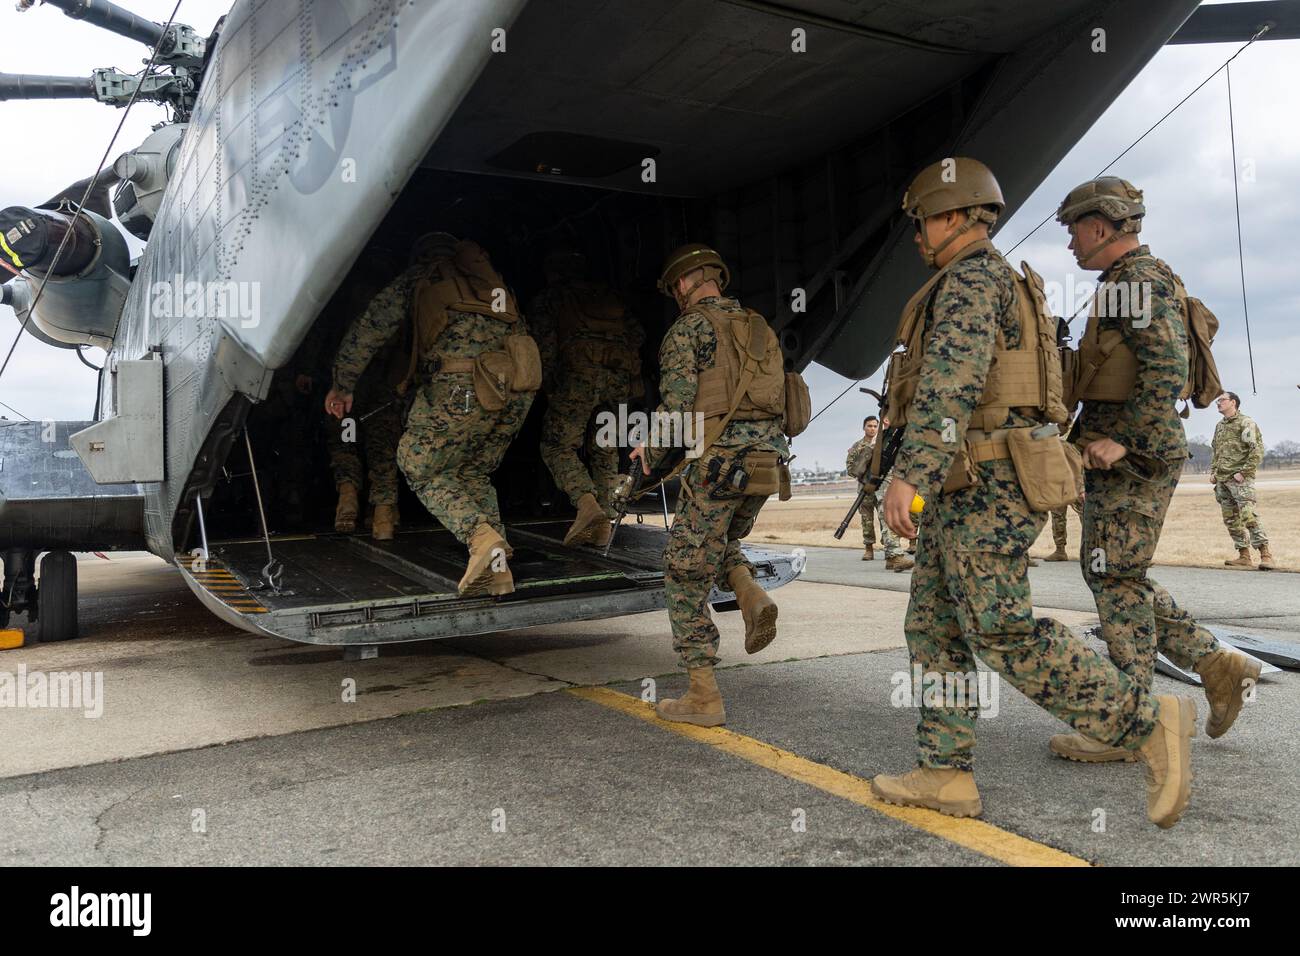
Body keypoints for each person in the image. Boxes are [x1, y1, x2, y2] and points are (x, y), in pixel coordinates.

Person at [871, 158, 1195, 828]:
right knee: (934, 626)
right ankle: (945, 772)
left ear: (956, 215)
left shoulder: (970, 279)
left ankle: (1145, 721)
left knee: (1001, 628)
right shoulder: (993, 277)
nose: (917, 236)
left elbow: (950, 385)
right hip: (971, 478)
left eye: (923, 220)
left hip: (984, 479)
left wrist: (911, 474)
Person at [1051, 177, 1260, 762]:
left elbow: (1165, 362)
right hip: (1129, 450)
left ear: (1100, 225)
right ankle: (1216, 664)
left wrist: (1121, 436)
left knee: (1115, 578)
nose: (1070, 244)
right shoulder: (1125, 281)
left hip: (1136, 454)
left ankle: (1130, 725)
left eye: (1073, 230)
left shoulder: (1136, 280)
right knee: (1117, 574)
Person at [325, 232, 539, 595]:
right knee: (472, 470)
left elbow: (370, 329)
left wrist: (342, 384)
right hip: (515, 388)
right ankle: (499, 569)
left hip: (461, 384)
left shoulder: (420, 278)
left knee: (416, 463)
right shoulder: (490, 282)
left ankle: (480, 538)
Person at [631, 243, 788, 727]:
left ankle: (703, 695)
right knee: (722, 542)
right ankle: (750, 595)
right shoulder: (760, 327)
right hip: (769, 464)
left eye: (674, 286)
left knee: (684, 572)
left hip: (719, 466)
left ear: (683, 284)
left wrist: (646, 457)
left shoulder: (688, 329)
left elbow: (677, 410)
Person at [532, 245, 645, 546]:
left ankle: (586, 504)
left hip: (577, 377)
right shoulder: (610, 297)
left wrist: (547, 384)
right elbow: (638, 335)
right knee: (605, 450)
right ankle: (603, 527)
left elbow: (543, 345)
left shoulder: (551, 298)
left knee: (556, 445)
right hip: (618, 381)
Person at [1212, 391, 1272, 570]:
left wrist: (1244, 473)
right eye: (1218, 401)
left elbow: (1256, 450)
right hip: (1222, 480)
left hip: (1240, 480)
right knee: (1231, 519)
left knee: (1248, 516)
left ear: (1233, 402)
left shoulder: (1246, 423)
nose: (1218, 403)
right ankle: (1244, 555)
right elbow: (1216, 449)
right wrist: (1214, 471)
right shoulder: (1220, 426)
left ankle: (1266, 555)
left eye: (1221, 400)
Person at [846, 415, 903, 561]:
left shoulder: (882, 443)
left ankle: (888, 549)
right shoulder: (857, 446)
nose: (872, 428)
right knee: (867, 520)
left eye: (874, 426)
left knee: (884, 516)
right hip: (864, 488)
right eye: (869, 426)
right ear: (864, 428)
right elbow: (850, 468)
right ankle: (868, 548)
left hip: (880, 486)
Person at [1044, 435, 1084, 561]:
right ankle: (1060, 551)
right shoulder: (1047, 448)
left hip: (1074, 486)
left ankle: (1089, 549)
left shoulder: (1067, 446)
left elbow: (1078, 468)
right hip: (1057, 486)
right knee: (1057, 518)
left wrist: (1081, 488)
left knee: (1084, 516)